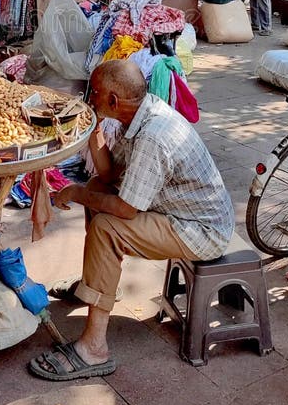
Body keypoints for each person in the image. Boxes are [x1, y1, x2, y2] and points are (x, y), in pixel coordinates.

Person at [28, 60, 234, 381]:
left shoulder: (152, 136)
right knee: (97, 188)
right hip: (180, 213)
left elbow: (125, 210)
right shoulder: (138, 113)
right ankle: (95, 283)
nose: (88, 97)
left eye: (93, 93)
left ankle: (94, 348)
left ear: (112, 100)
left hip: (201, 231)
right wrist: (94, 130)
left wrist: (73, 193)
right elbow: (109, 175)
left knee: (107, 227)